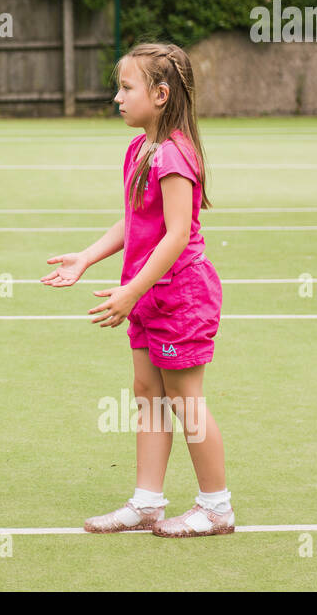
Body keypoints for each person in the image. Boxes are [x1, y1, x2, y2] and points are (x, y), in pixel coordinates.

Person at [41, 41, 232, 537]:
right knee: (147, 391)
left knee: (185, 399)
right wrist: (87, 257)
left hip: (180, 295)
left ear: (161, 94)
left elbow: (175, 235)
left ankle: (216, 506)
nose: (118, 98)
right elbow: (133, 221)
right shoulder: (140, 149)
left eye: (127, 88)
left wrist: (129, 292)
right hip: (147, 293)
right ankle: (147, 502)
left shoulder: (173, 155)